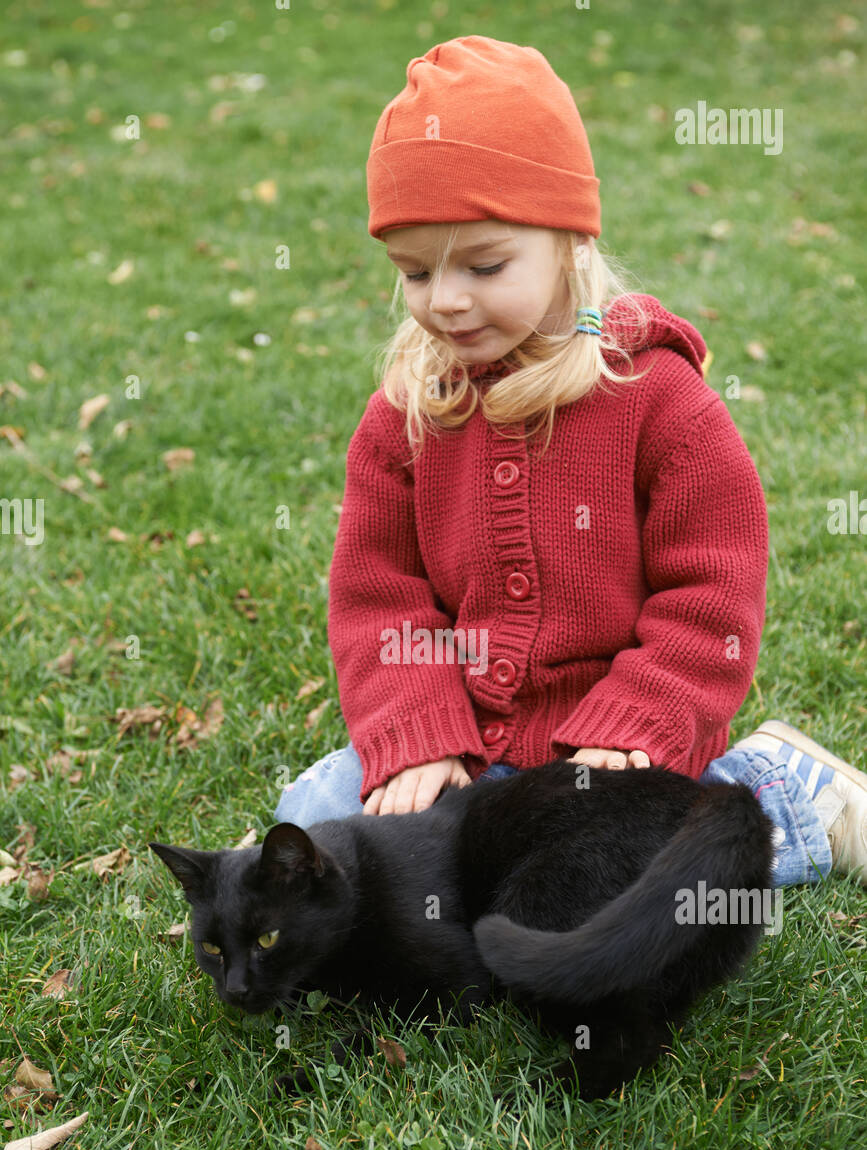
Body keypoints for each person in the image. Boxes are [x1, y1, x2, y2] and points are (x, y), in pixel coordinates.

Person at [274, 35, 867, 889]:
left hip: (619, 754)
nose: (444, 299)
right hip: (466, 751)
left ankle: (783, 799)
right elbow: (378, 594)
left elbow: (710, 596)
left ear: (568, 241)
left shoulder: (659, 403)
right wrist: (419, 730)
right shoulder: (406, 416)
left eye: (485, 264)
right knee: (315, 830)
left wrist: (639, 726)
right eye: (412, 271)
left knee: (619, 892)